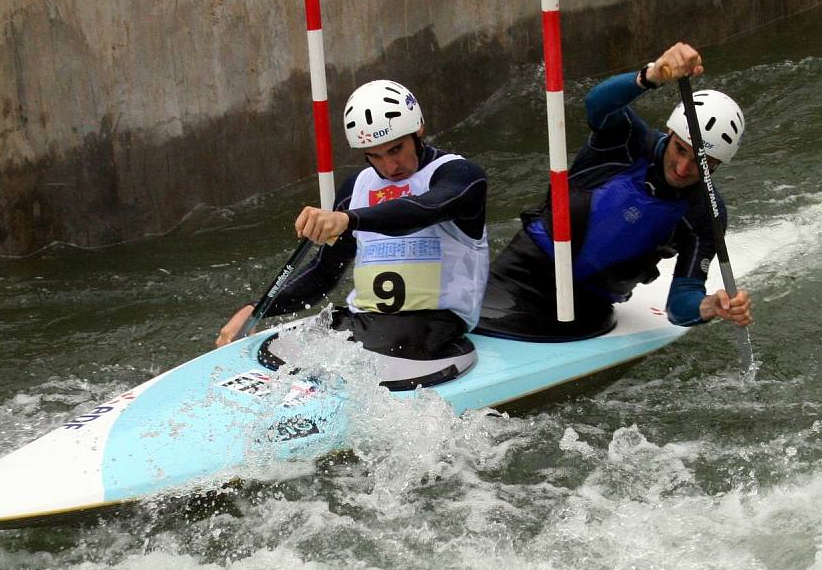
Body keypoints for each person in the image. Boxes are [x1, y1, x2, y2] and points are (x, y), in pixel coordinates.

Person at [477, 41, 753, 341]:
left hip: (590, 308)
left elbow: (678, 306)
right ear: (670, 132)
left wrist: (707, 306)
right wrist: (651, 76)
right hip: (521, 273)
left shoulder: (706, 213)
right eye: (680, 150)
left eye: (703, 164)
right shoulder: (626, 140)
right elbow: (597, 104)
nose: (683, 168)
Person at [216, 79, 489, 362]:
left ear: (418, 129)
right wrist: (257, 308)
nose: (389, 166)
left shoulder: (461, 176)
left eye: (396, 149)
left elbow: (423, 209)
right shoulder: (356, 187)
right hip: (366, 320)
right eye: (375, 156)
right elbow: (323, 274)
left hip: (435, 325)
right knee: (277, 352)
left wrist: (347, 219)